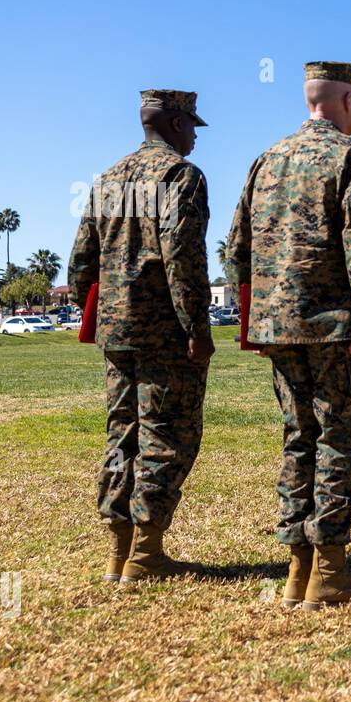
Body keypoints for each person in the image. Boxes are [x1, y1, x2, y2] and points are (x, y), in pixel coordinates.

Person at [226, 61, 351, 608]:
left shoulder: (266, 160)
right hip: (334, 330)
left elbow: (234, 251)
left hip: (278, 330)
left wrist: (260, 315)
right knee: (342, 441)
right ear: (345, 98)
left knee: (299, 438)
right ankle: (331, 572)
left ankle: (298, 569)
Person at [68, 89, 213, 583]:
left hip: (116, 330)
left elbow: (81, 261)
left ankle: (119, 553)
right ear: (174, 124)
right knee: (167, 433)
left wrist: (98, 307)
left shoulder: (107, 179)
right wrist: (197, 326)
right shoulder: (180, 175)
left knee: (121, 432)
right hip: (165, 330)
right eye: (191, 125)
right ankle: (147, 554)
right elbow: (183, 257)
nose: (194, 134)